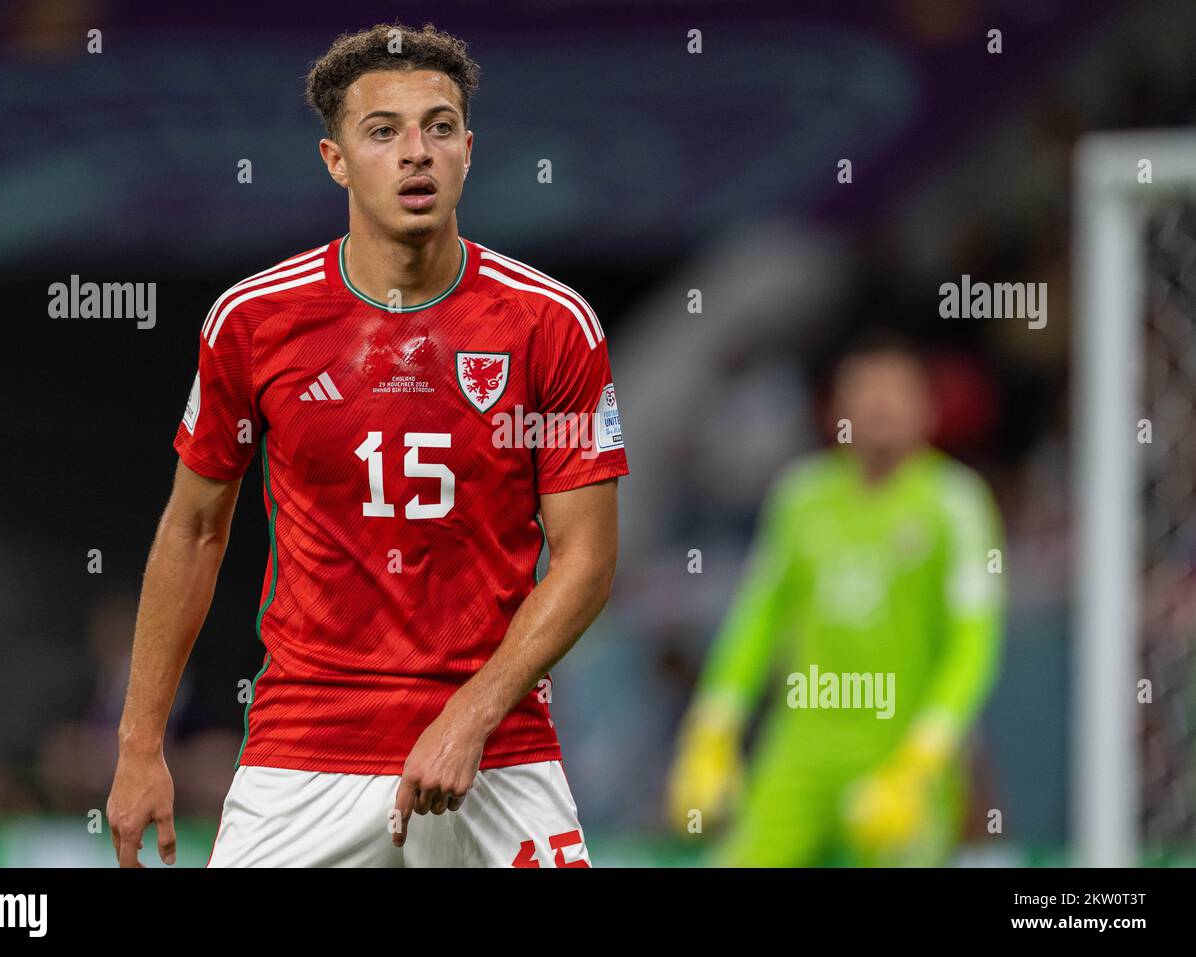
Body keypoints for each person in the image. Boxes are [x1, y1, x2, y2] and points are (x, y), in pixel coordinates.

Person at [107, 22, 628, 868]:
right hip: (303, 751)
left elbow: (588, 559)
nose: (415, 153)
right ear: (336, 159)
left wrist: (468, 714)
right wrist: (138, 746)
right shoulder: (254, 322)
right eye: (383, 132)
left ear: (469, 148)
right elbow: (194, 529)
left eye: (440, 126)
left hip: (499, 749)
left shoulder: (551, 324)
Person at [666, 335, 1003, 865]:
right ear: (835, 409)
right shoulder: (802, 497)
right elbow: (758, 620)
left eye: (897, 391)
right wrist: (712, 728)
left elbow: (973, 646)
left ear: (927, 408)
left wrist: (922, 760)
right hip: (801, 749)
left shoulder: (954, 503)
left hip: (899, 753)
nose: (880, 405)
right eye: (865, 392)